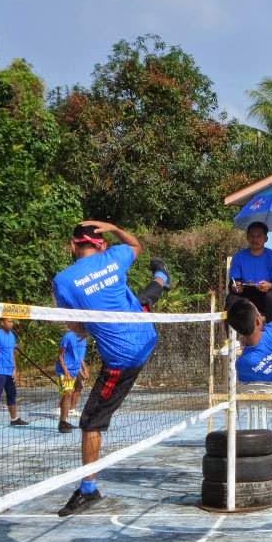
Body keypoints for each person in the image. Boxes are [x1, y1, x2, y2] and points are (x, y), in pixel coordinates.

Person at [52, 221, 169, 517]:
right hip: (146, 336)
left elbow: (75, 327)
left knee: (90, 422)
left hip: (122, 358)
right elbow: (135, 246)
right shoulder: (113, 257)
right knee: (142, 301)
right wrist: (115, 227)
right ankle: (160, 277)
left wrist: (90, 326)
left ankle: (88, 489)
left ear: (72, 244)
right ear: (99, 241)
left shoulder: (63, 281)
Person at [228, 221, 272, 324]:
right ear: (247, 238)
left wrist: (270, 285)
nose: (254, 239)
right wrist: (235, 287)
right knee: (231, 299)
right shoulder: (238, 257)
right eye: (251, 236)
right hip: (244, 295)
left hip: (265, 295)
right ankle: (231, 337)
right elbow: (233, 282)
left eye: (258, 236)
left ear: (266, 239)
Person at [56, 323, 90, 434]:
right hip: (64, 370)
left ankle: (65, 416)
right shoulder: (68, 336)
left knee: (73, 391)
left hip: (75, 371)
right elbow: (60, 356)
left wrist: (84, 369)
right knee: (67, 393)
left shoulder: (83, 339)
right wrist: (66, 372)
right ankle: (62, 422)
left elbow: (79, 357)